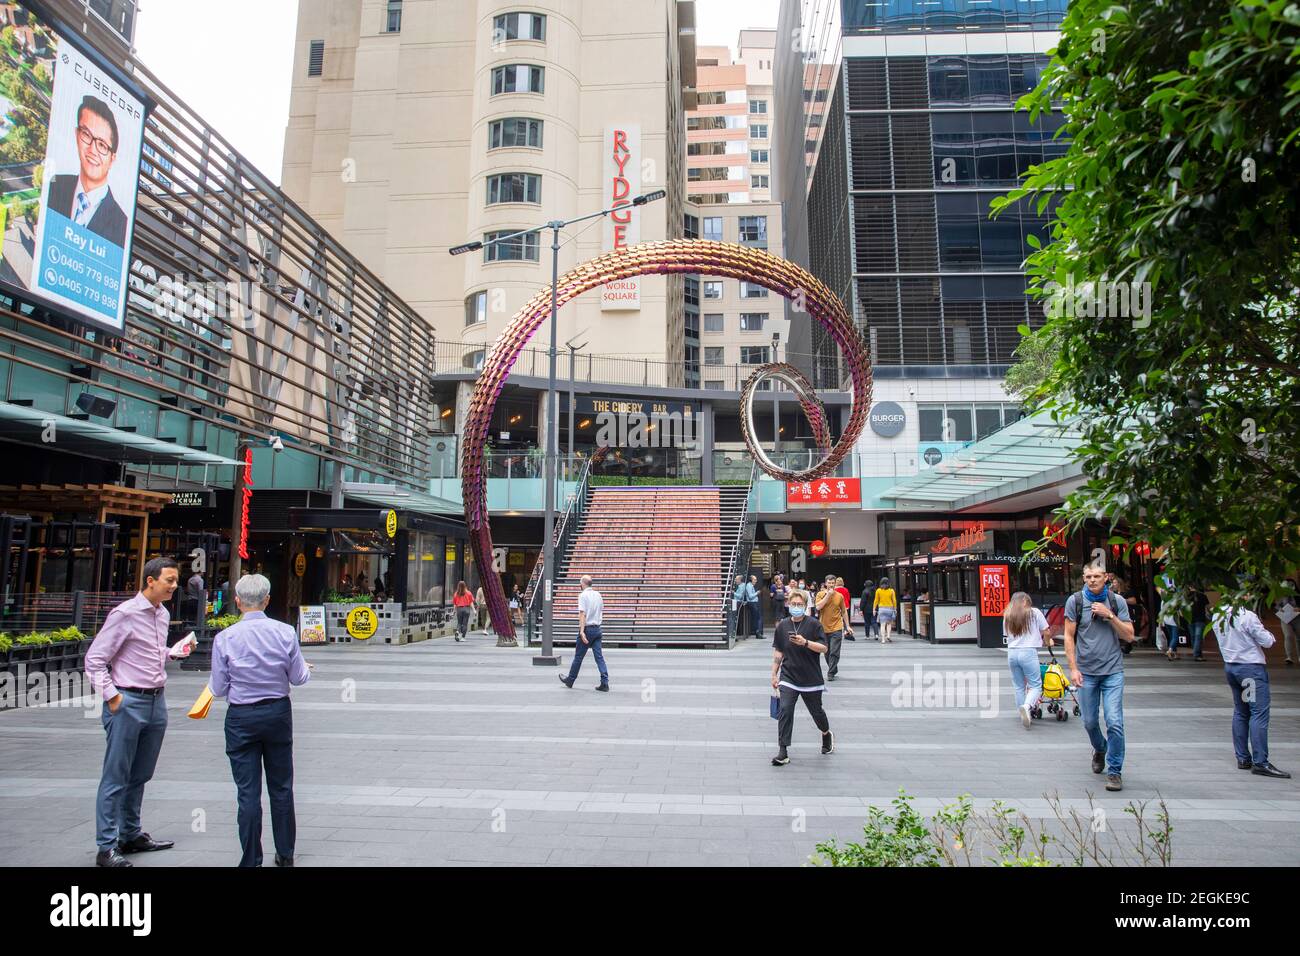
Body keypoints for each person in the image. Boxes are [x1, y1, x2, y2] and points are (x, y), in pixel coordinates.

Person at [209, 574, 313, 867]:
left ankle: (251, 858)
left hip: (241, 716)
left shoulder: (224, 638)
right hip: (277, 713)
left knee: (247, 792)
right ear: (267, 600)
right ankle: (285, 853)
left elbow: (217, 688)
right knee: (281, 786)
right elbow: (298, 677)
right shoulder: (284, 632)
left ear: (238, 601)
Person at [84, 556, 181, 868]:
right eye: (169, 580)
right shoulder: (124, 614)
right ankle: (106, 847)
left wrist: (171, 652)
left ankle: (130, 833)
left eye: (176, 580)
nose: (174, 586)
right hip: (128, 702)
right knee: (116, 776)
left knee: (141, 774)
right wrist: (113, 698)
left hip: (156, 701)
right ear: (150, 580)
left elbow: (149, 651)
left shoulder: (162, 614)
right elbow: (94, 660)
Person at [1063, 562, 1135, 792]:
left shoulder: (1117, 602)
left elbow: (1130, 636)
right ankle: (1100, 748)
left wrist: (1110, 615)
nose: (1092, 580)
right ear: (1083, 579)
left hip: (1113, 671)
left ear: (1106, 577)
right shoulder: (1075, 601)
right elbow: (1068, 636)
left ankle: (1114, 772)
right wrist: (1073, 668)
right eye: (1088, 577)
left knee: (1115, 722)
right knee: (1089, 721)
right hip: (1086, 672)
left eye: (1096, 576)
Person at [1213, 600, 1289, 778]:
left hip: (1231, 666)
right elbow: (1268, 641)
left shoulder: (1218, 615)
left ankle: (1242, 757)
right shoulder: (1247, 616)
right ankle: (1260, 761)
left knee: (1241, 711)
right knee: (1258, 713)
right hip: (1251, 668)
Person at [47, 96, 129, 247]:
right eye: (86, 135)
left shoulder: (122, 224)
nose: (92, 150)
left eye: (102, 145)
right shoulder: (53, 186)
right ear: (76, 134)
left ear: (112, 158)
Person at [770, 589, 833, 766]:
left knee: (817, 712)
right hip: (788, 676)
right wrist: (774, 673)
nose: (796, 607)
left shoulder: (814, 625)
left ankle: (826, 733)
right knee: (785, 710)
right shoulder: (782, 626)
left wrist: (805, 642)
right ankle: (783, 751)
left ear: (805, 606)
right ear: (788, 604)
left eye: (800, 605)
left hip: (811, 679)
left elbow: (823, 648)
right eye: (793, 604)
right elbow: (779, 650)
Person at [1004, 592, 1051, 729]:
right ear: (1024, 600)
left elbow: (1006, 635)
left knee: (1019, 686)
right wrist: (1047, 642)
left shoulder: (1008, 615)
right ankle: (1027, 706)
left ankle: (1022, 711)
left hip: (1012, 652)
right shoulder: (1034, 612)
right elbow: (1046, 631)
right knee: (1035, 685)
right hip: (1028, 652)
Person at [559, 575, 607, 691]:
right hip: (597, 629)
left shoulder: (582, 595)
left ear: (583, 584)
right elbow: (601, 611)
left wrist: (582, 631)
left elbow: (582, 614)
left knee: (578, 657)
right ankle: (604, 682)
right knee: (599, 657)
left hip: (587, 629)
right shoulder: (598, 595)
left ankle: (570, 680)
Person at [815, 575, 848, 681]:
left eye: (833, 583)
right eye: (829, 583)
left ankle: (830, 673)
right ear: (825, 583)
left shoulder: (840, 596)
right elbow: (818, 607)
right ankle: (833, 668)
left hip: (837, 627)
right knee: (826, 652)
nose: (831, 585)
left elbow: (843, 611)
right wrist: (827, 595)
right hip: (823, 627)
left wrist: (847, 626)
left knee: (834, 651)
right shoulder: (820, 594)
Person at [1275, 583, 1297, 665]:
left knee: (1298, 637)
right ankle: (1289, 656)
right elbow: (1277, 606)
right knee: (1288, 635)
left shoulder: (1297, 596)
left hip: (1297, 617)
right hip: (1285, 617)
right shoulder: (1281, 597)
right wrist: (1280, 609)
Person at [1188, 586, 1210, 662]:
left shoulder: (1187, 596)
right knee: (1198, 637)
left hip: (1190, 619)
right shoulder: (1203, 595)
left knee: (1193, 637)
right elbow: (1207, 608)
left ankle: (1197, 654)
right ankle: (1197, 655)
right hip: (1200, 619)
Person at [874, 577, 898, 643]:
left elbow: (876, 600)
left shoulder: (878, 590)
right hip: (889, 609)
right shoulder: (891, 590)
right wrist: (895, 608)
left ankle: (883, 639)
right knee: (889, 624)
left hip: (881, 609)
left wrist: (874, 609)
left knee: (882, 624)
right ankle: (888, 636)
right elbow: (894, 600)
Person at [834, 577, 854, 641]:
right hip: (845, 606)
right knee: (845, 618)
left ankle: (837, 630)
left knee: (837, 619)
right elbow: (848, 598)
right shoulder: (845, 589)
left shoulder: (834, 590)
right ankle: (846, 631)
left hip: (837, 606)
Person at [733, 574, 749, 639]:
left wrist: (733, 592)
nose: (735, 580)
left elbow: (740, 596)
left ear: (740, 580)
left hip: (738, 603)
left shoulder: (742, 586)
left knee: (737, 617)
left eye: (736, 579)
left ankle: (738, 632)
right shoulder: (739, 586)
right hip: (736, 602)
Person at [747, 574, 763, 639]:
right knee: (757, 618)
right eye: (754, 579)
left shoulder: (751, 586)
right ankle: (757, 632)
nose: (756, 581)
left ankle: (757, 632)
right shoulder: (749, 586)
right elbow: (750, 596)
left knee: (757, 618)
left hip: (754, 603)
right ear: (751, 580)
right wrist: (757, 593)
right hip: (752, 603)